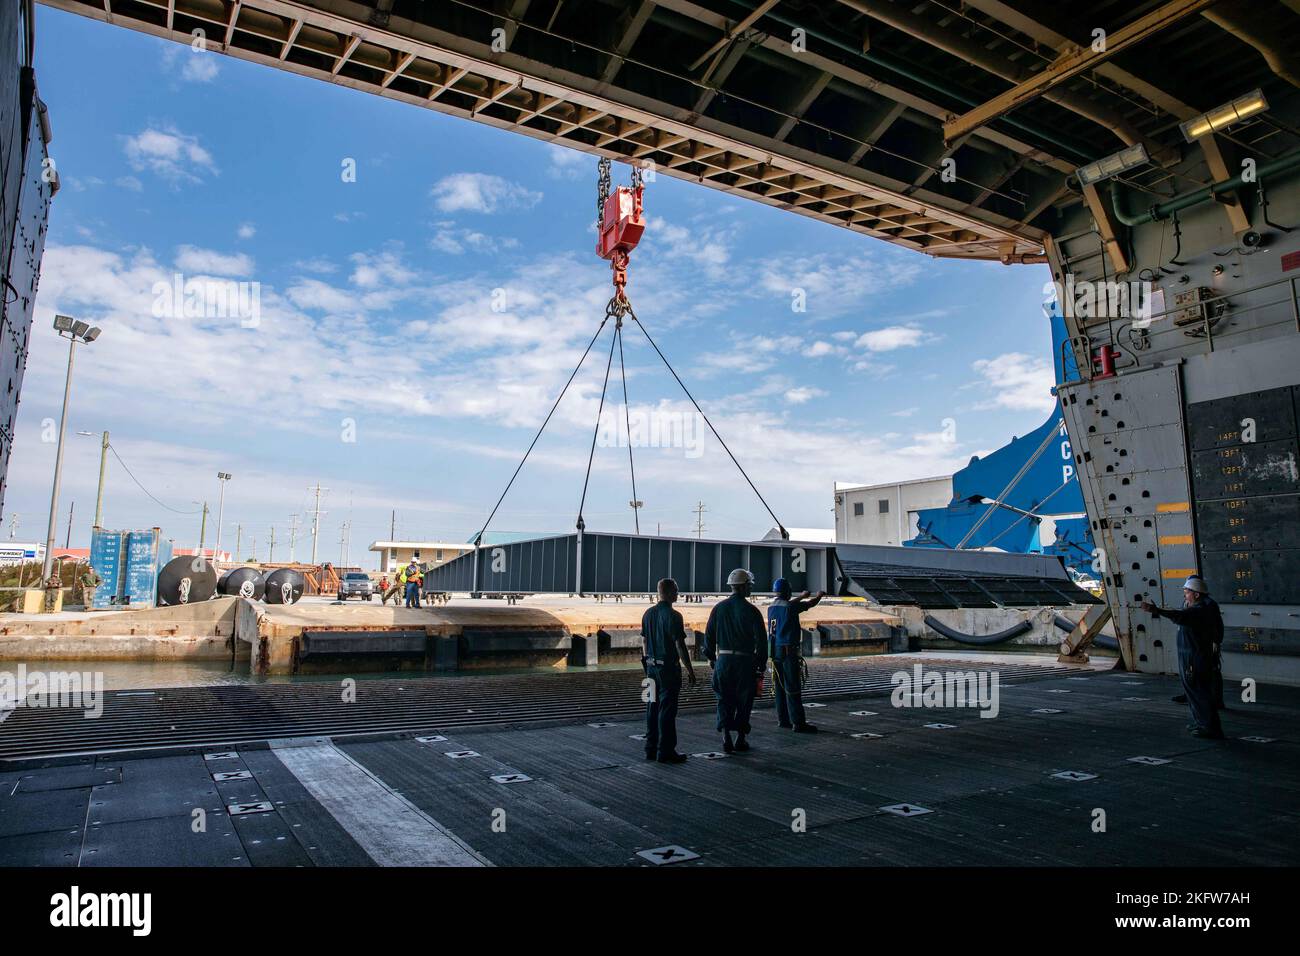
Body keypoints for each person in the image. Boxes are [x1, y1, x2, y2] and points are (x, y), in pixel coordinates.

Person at [1141, 575, 1225, 739]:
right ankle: (1202, 723)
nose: (1185, 595)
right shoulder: (1205, 606)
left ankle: (1209, 727)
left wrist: (1156, 610)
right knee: (1196, 691)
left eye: (1187, 592)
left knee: (1198, 691)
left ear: (1196, 594)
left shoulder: (1200, 610)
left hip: (1193, 656)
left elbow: (1180, 616)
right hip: (1193, 654)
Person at [703, 568, 767, 753]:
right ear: (744, 586)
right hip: (745, 663)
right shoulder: (752, 611)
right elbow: (762, 643)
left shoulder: (718, 609)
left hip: (723, 661)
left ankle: (726, 738)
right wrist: (760, 665)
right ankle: (740, 738)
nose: (751, 589)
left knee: (724, 699)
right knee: (744, 702)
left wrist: (712, 659)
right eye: (749, 586)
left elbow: (708, 639)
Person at [640, 577, 697, 763]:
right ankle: (666, 751)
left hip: (650, 668)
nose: (678, 593)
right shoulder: (674, 616)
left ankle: (650, 747)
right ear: (670, 592)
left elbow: (644, 641)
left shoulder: (647, 614)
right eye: (676, 590)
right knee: (667, 710)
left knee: (651, 707)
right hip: (668, 670)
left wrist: (647, 662)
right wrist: (690, 669)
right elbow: (680, 645)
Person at [767, 578, 825, 733]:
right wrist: (819, 596)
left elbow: (790, 603)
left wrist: (802, 595)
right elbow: (809, 605)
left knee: (779, 687)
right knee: (792, 687)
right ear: (787, 592)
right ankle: (798, 723)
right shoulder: (790, 607)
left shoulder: (772, 607)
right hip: (788, 652)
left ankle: (783, 720)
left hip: (775, 652)